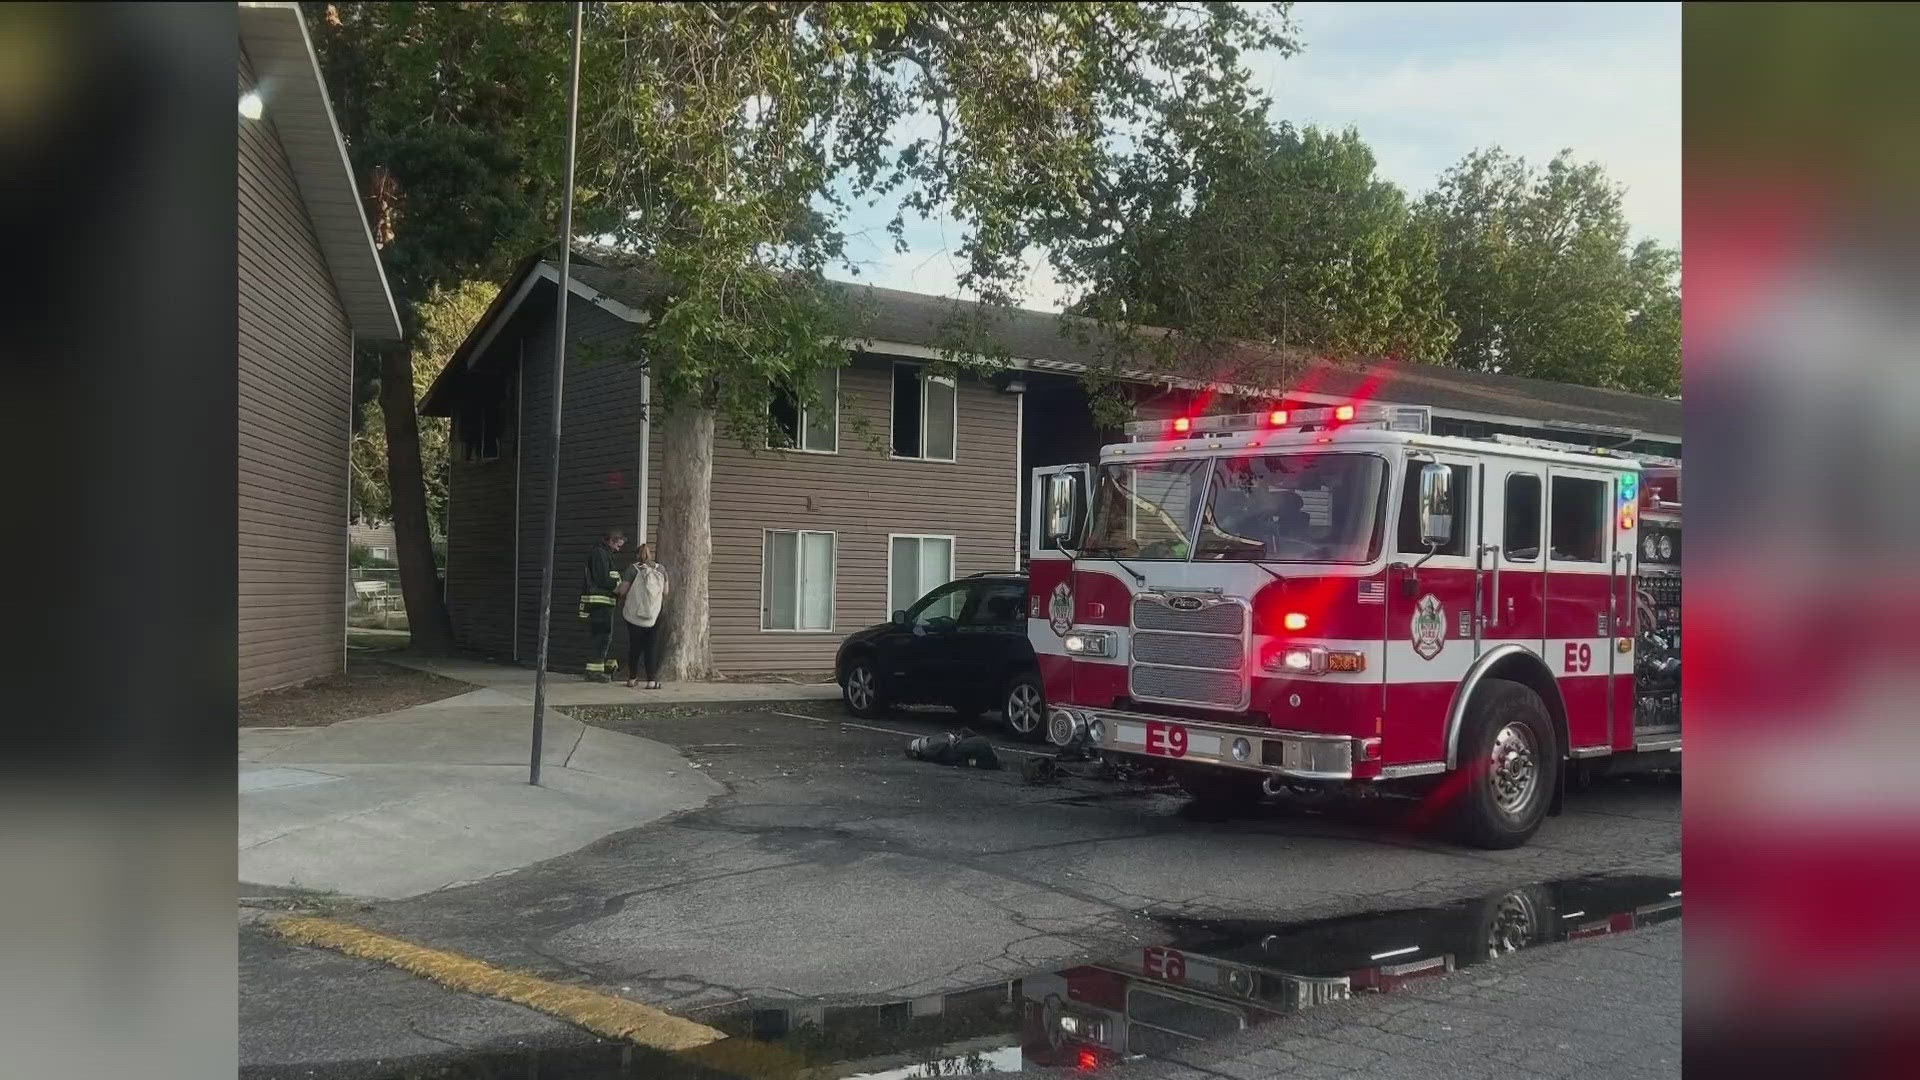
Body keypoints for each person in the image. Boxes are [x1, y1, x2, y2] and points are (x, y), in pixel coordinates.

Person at [617, 542, 669, 690]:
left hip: (634, 615)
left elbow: (623, 590)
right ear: (651, 554)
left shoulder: (632, 570)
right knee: (651, 647)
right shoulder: (661, 569)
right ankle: (651, 681)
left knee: (635, 646)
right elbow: (665, 591)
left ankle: (632, 678)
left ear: (636, 555)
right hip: (654, 614)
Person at [578, 527, 626, 682]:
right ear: (611, 540)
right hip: (600, 602)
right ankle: (594, 672)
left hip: (603, 602)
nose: (619, 550)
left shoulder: (604, 553)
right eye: (618, 545)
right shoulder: (600, 554)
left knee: (602, 636)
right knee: (601, 637)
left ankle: (596, 669)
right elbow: (603, 578)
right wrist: (617, 585)